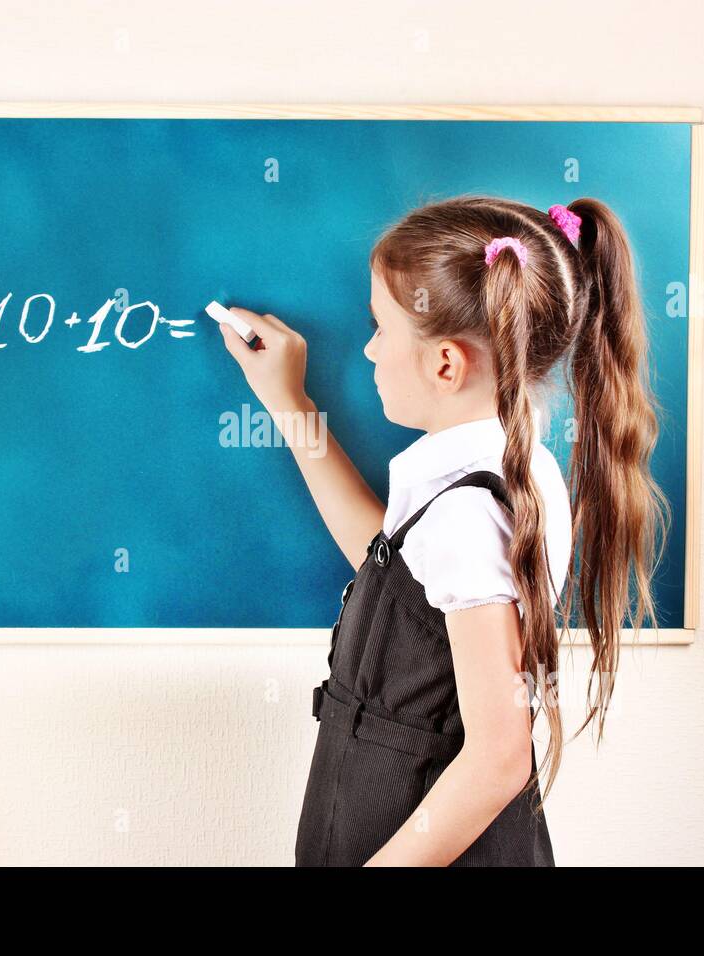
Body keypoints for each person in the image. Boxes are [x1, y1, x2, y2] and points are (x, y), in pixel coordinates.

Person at [217, 195, 669, 866]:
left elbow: (498, 758)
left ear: (447, 364)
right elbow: (389, 564)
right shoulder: (496, 472)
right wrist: (291, 404)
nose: (367, 350)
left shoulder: (469, 510)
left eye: (379, 328)